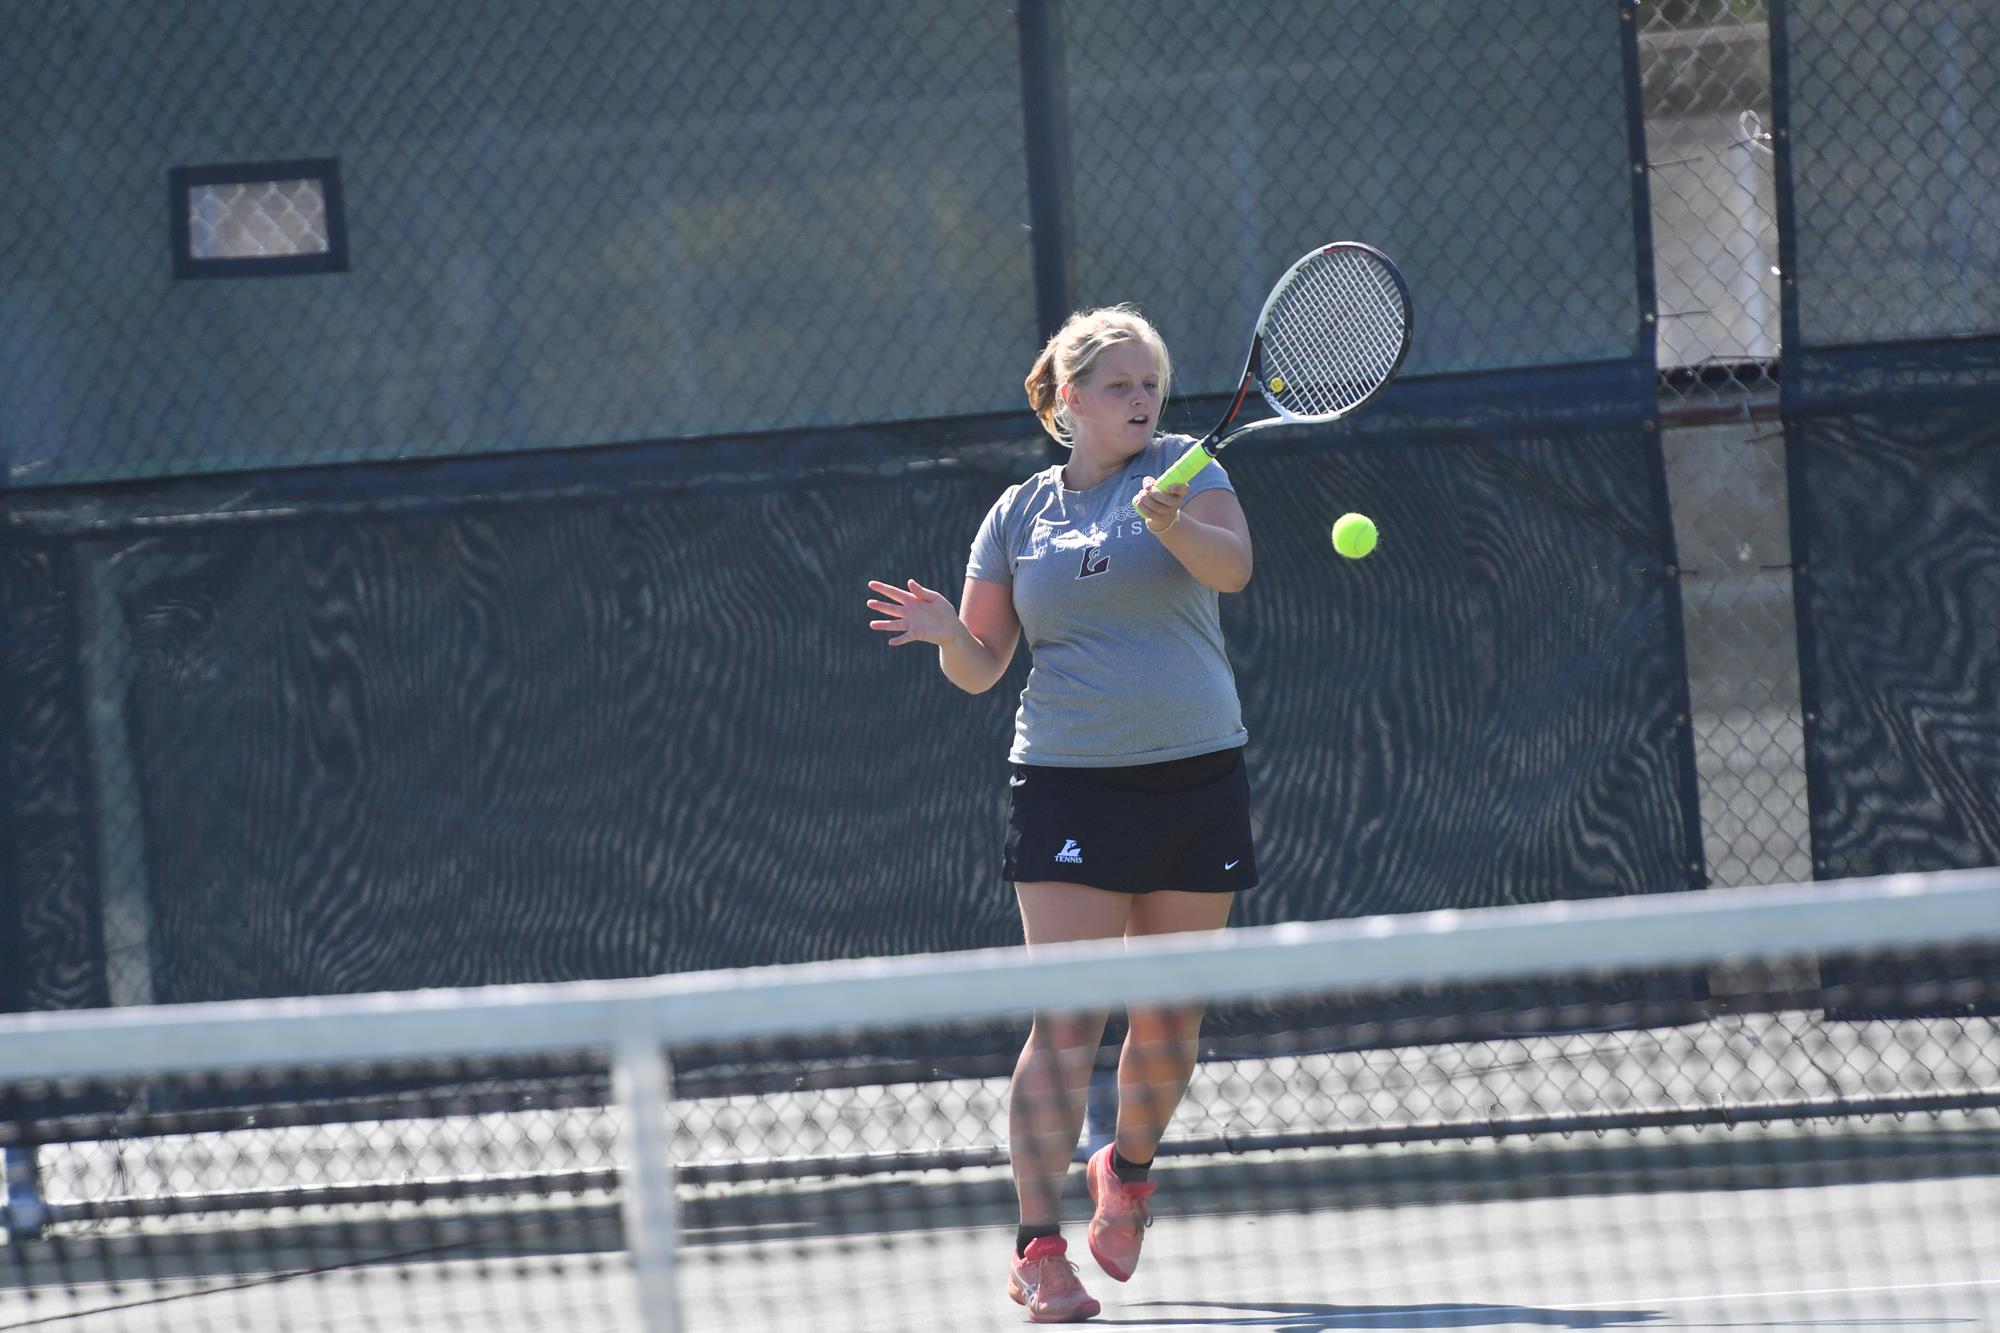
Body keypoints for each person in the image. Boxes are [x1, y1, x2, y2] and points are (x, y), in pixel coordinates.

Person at [866, 304, 1257, 1322]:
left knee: (1168, 1017)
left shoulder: (1185, 469)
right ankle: (1036, 1245)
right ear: (1068, 399)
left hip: (1196, 774)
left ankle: (1124, 1172)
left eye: (1150, 387)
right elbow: (981, 668)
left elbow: (1233, 567)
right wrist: (951, 632)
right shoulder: (1014, 513)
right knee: (1069, 1017)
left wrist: (1175, 523)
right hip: (1066, 782)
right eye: (1120, 386)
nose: (1140, 402)